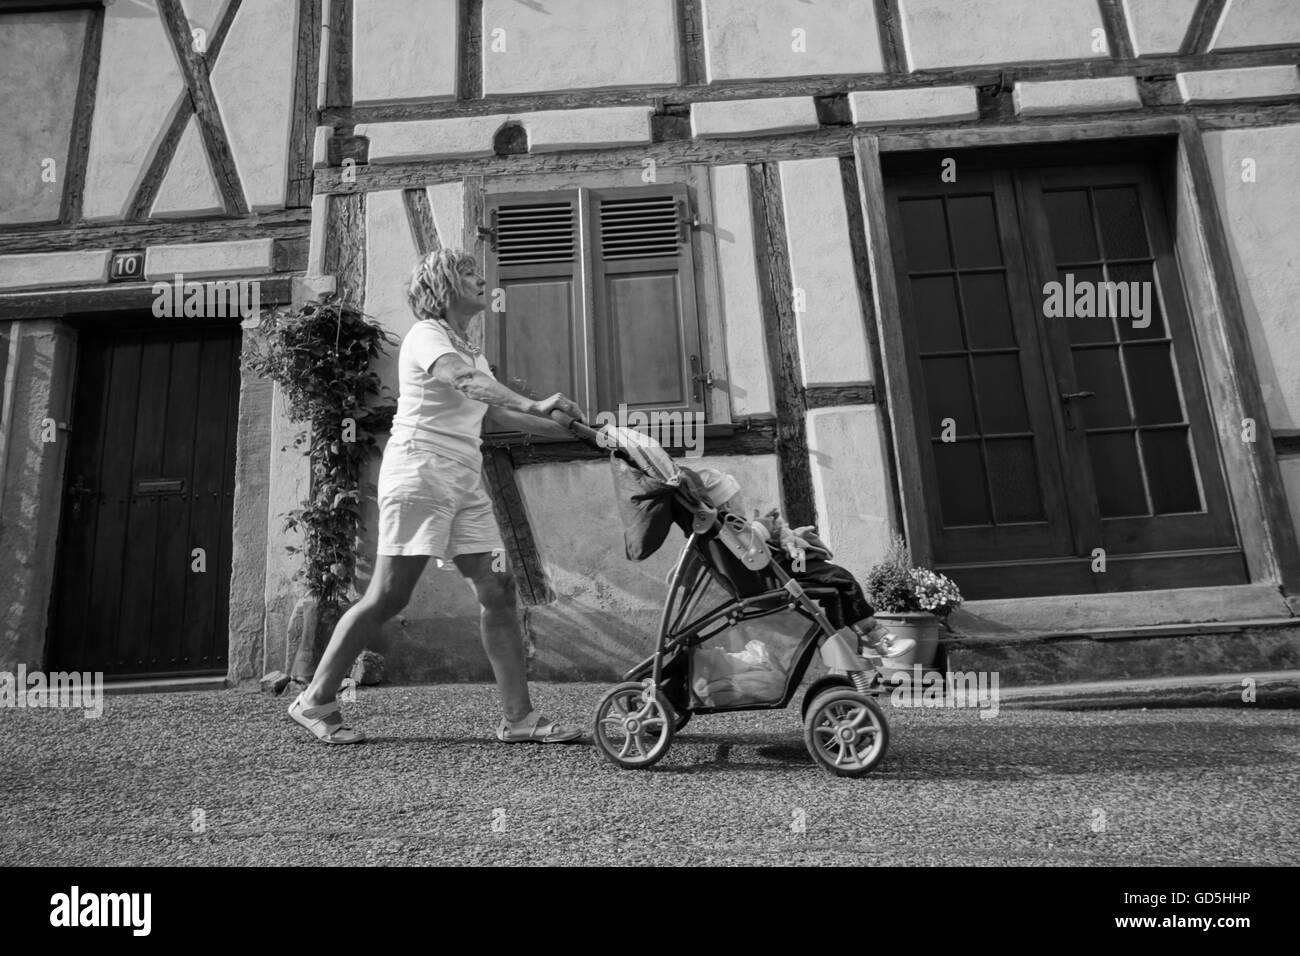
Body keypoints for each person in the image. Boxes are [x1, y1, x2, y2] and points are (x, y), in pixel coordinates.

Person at [288, 249, 586, 745]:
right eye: (470, 273)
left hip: (465, 480)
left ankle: (520, 719)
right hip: (420, 472)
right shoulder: (428, 336)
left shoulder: (473, 352)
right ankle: (315, 697)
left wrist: (574, 428)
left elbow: (495, 416)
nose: (481, 279)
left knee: (498, 590)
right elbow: (462, 381)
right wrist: (534, 400)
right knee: (388, 595)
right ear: (443, 284)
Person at [686, 467, 916, 659]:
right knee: (842, 578)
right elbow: (751, 542)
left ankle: (844, 646)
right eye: (737, 500)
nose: (741, 504)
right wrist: (765, 526)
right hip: (776, 575)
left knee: (834, 591)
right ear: (724, 504)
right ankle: (875, 637)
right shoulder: (728, 526)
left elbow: (735, 547)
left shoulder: (717, 530)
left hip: (776, 570)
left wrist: (776, 532)